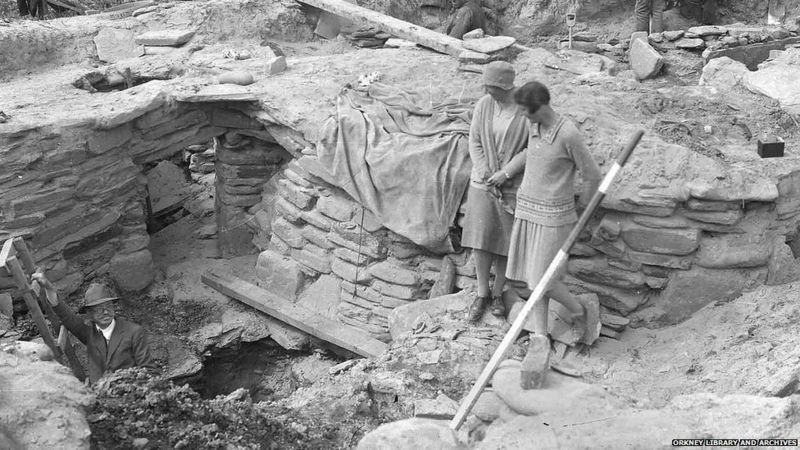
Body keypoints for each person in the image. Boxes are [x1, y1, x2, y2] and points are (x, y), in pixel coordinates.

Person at [496, 81, 602, 371]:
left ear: (539, 107)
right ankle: (540, 336)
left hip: (554, 217)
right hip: (528, 211)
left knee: (543, 279)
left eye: (524, 110)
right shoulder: (534, 127)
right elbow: (530, 154)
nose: (520, 114)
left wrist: (582, 209)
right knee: (533, 279)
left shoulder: (568, 134)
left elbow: (592, 175)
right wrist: (506, 173)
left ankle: (580, 309)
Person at [463, 61, 529, 323]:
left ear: (505, 87)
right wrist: (482, 167)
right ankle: (482, 293)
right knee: (481, 239)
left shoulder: (527, 109)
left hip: (510, 185)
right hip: (482, 183)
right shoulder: (484, 105)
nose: (488, 92)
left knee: (504, 242)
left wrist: (506, 173)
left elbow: (530, 147)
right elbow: (475, 139)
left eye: (492, 88)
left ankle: (499, 292)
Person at [31, 272, 155, 383]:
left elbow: (149, 370)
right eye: (99, 309)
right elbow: (65, 315)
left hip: (129, 394)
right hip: (98, 396)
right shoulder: (89, 333)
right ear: (89, 314)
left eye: (108, 306)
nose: (106, 312)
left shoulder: (134, 332)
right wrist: (49, 287)